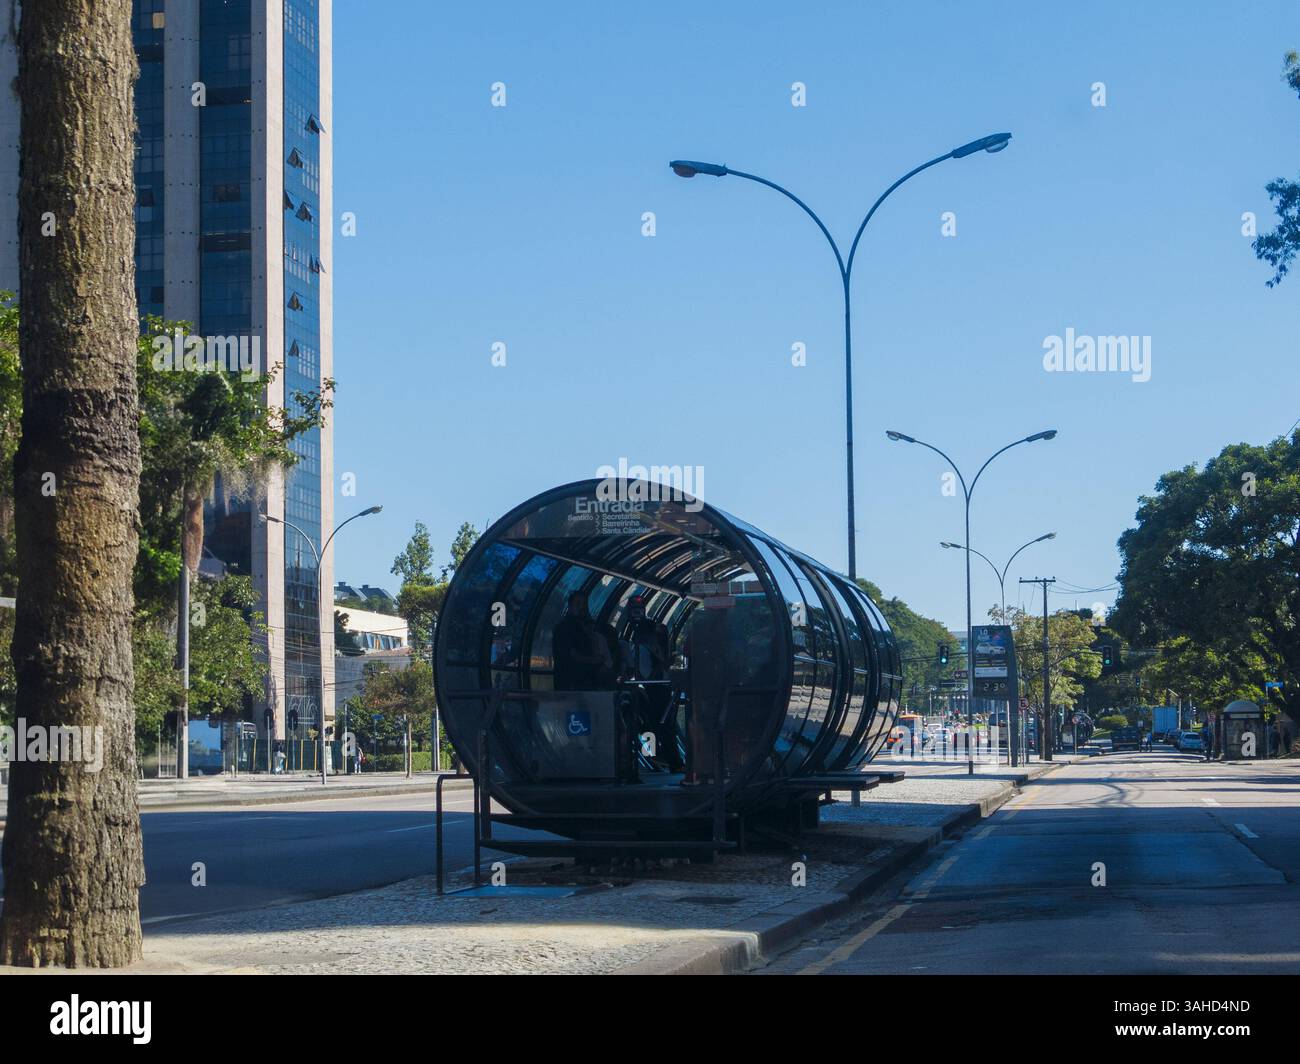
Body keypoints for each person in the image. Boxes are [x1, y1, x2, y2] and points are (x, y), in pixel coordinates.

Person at [552, 590, 613, 691]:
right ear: (570, 606)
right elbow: (573, 655)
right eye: (578, 604)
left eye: (584, 604)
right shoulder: (565, 628)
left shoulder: (577, 628)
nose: (582, 607)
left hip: (578, 682)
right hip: (572, 682)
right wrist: (595, 660)